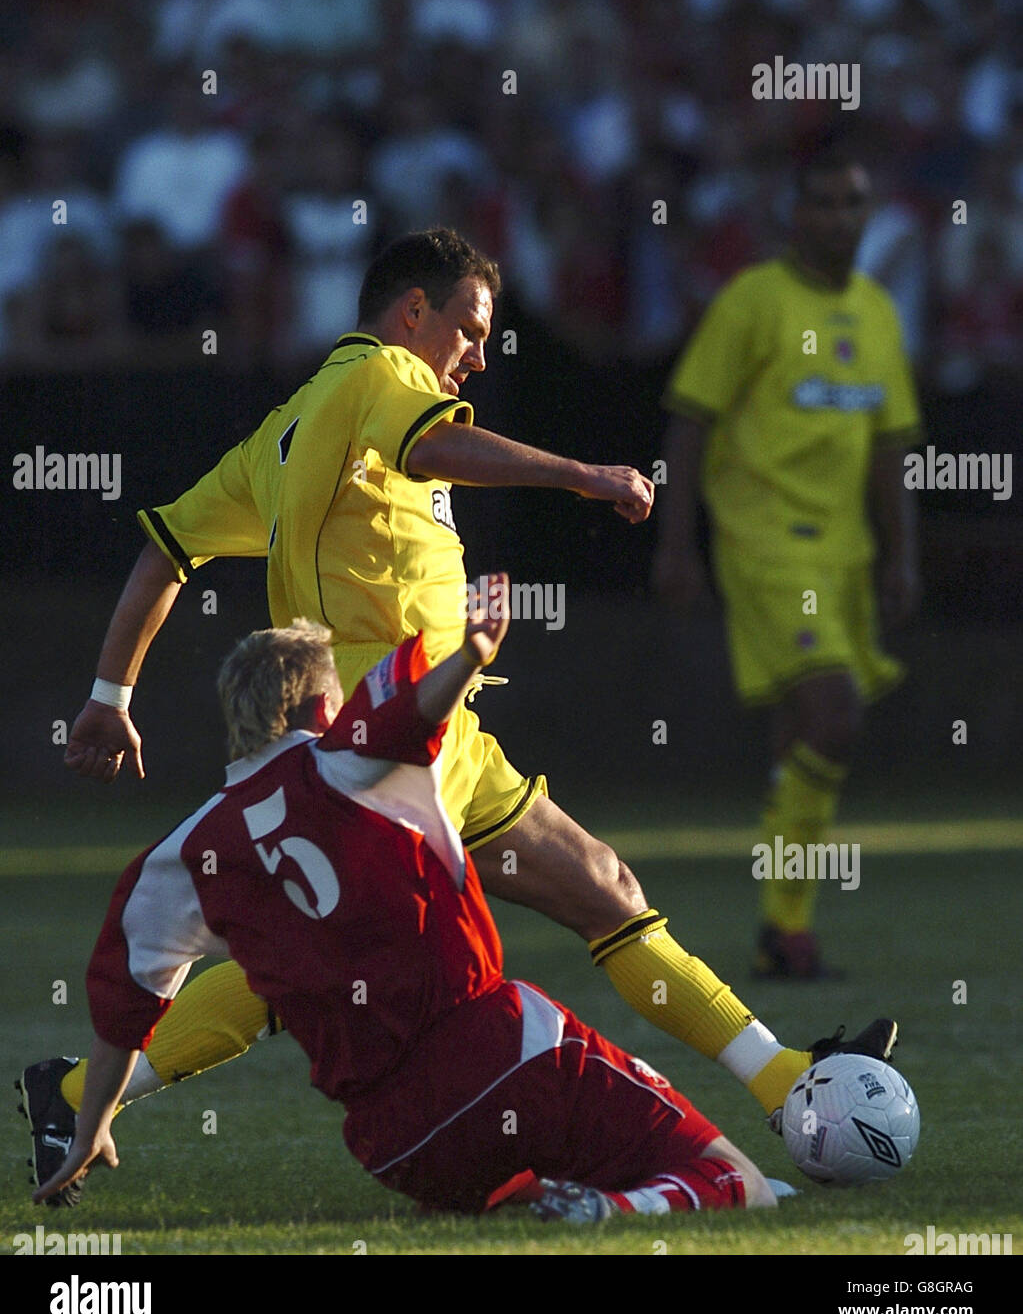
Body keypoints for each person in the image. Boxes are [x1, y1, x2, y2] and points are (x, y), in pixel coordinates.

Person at [43, 228, 894, 1187]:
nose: (478, 356)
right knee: (332, 959)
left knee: (600, 889)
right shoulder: (380, 378)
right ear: (413, 313)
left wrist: (108, 695)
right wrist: (585, 476)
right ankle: (77, 1097)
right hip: (379, 736)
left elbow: (164, 547)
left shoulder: (282, 432)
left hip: (436, 731)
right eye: (469, 328)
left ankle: (787, 1082)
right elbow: (439, 439)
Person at [33, 587, 788, 1223]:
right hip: (498, 1054)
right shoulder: (346, 759)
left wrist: (93, 1125)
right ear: (323, 703)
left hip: (398, 1148)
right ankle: (630, 1210)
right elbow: (409, 711)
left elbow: (124, 1009)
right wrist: (470, 653)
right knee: (739, 1182)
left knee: (567, 1164)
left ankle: (589, 1197)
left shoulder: (175, 857)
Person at [653, 141, 922, 978]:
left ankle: (779, 925)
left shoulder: (876, 311)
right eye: (824, 202)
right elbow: (689, 421)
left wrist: (900, 555)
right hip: (766, 543)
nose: (840, 218)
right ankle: (790, 920)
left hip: (844, 552)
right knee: (834, 715)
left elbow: (888, 447)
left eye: (853, 203)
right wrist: (676, 543)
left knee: (801, 732)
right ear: (792, 214)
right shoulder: (752, 303)